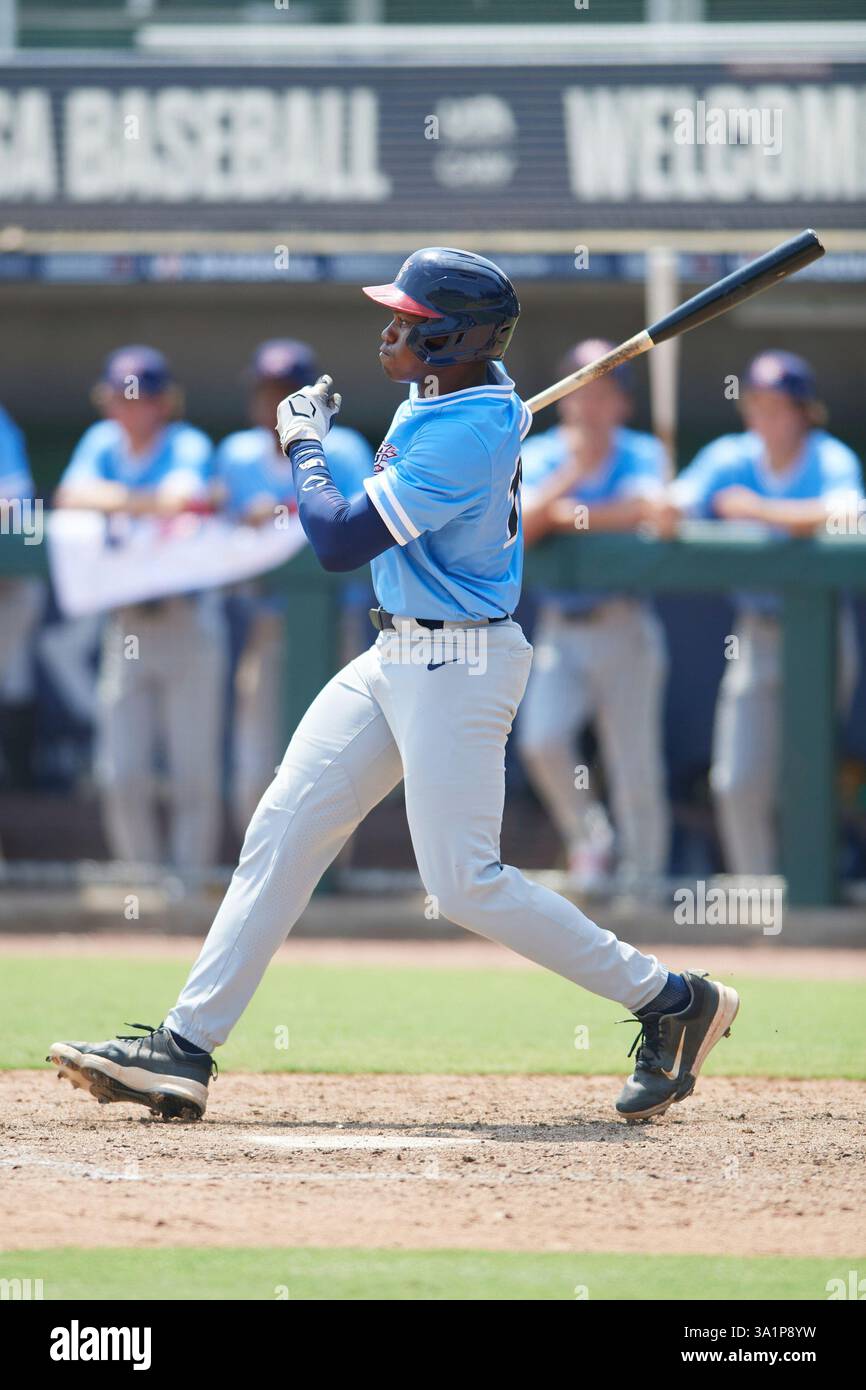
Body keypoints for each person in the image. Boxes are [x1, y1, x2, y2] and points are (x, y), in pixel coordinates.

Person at [48, 250, 739, 1125]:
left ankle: (673, 999)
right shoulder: (455, 401)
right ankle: (184, 1048)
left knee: (462, 884)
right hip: (393, 656)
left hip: (459, 663)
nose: (391, 330)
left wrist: (302, 442)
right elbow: (447, 432)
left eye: (410, 320)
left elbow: (338, 540)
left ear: (454, 335)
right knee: (284, 827)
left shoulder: (466, 429)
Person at [663, 349, 863, 875]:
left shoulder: (830, 457)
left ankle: (810, 893)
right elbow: (671, 508)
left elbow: (849, 515)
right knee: (736, 779)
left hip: (818, 631)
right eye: (758, 404)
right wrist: (662, 502)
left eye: (780, 405)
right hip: (754, 631)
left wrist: (758, 511)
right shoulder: (731, 455)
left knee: (809, 775)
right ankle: (760, 894)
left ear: (804, 410)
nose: (768, 416)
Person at [53, 346, 225, 871]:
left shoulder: (186, 442)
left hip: (187, 620)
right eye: (120, 398)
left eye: (143, 399)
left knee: (191, 771)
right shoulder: (101, 442)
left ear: (163, 404)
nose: (130, 410)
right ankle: (143, 887)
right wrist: (139, 503)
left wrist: (119, 502)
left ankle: (188, 888)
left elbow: (183, 498)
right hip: (125, 622)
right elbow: (69, 496)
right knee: (121, 771)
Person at [518, 340, 670, 895]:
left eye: (604, 391)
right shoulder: (541, 454)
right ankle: (592, 842)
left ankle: (645, 881)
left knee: (635, 764)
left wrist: (571, 516)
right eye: (581, 391)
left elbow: (652, 511)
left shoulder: (643, 451)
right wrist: (569, 480)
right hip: (561, 625)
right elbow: (526, 525)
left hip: (624, 622)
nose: (590, 404)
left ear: (622, 403)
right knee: (542, 741)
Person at [216, 339, 373, 836]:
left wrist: (280, 512)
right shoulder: (236, 454)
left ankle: (330, 877)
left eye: (286, 392)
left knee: (336, 759)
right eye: (267, 391)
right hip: (267, 620)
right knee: (257, 757)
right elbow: (214, 541)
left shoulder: (343, 448)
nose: (274, 403)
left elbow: (351, 528)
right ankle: (259, 868)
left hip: (334, 624)